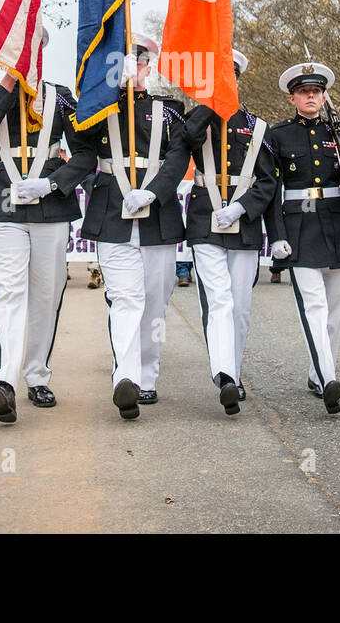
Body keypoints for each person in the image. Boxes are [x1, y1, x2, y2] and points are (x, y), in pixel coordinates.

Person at [69, 35, 192, 419]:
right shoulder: (97, 107)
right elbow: (79, 141)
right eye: (123, 61)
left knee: (155, 301)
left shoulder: (169, 110)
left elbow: (176, 159)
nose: (132, 68)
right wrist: (100, 91)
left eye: (138, 62)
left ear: (148, 66)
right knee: (125, 299)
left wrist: (153, 193)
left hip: (158, 215)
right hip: (112, 214)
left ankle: (148, 375)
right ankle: (126, 377)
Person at [0, 63, 97, 423]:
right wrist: (10, 82)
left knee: (46, 294)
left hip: (50, 208)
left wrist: (53, 183)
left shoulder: (60, 97)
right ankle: (3, 379)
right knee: (8, 291)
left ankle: (37, 375)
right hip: (4, 208)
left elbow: (85, 153)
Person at [265, 60, 340, 415]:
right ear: (293, 98)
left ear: (324, 97)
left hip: (336, 225)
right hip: (299, 228)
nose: (311, 96)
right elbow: (270, 190)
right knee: (315, 306)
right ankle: (328, 375)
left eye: (317, 92)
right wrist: (275, 236)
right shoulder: (277, 136)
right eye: (304, 92)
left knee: (335, 310)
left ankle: (317, 372)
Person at [178, 49, 276, 414]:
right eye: (220, 75)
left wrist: (243, 207)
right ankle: (226, 377)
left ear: (238, 78)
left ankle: (233, 369)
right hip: (205, 220)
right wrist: (209, 102)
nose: (226, 81)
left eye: (229, 76)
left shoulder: (257, 126)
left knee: (241, 305)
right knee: (218, 299)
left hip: (244, 224)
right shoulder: (198, 119)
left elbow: (268, 182)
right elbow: (186, 137)